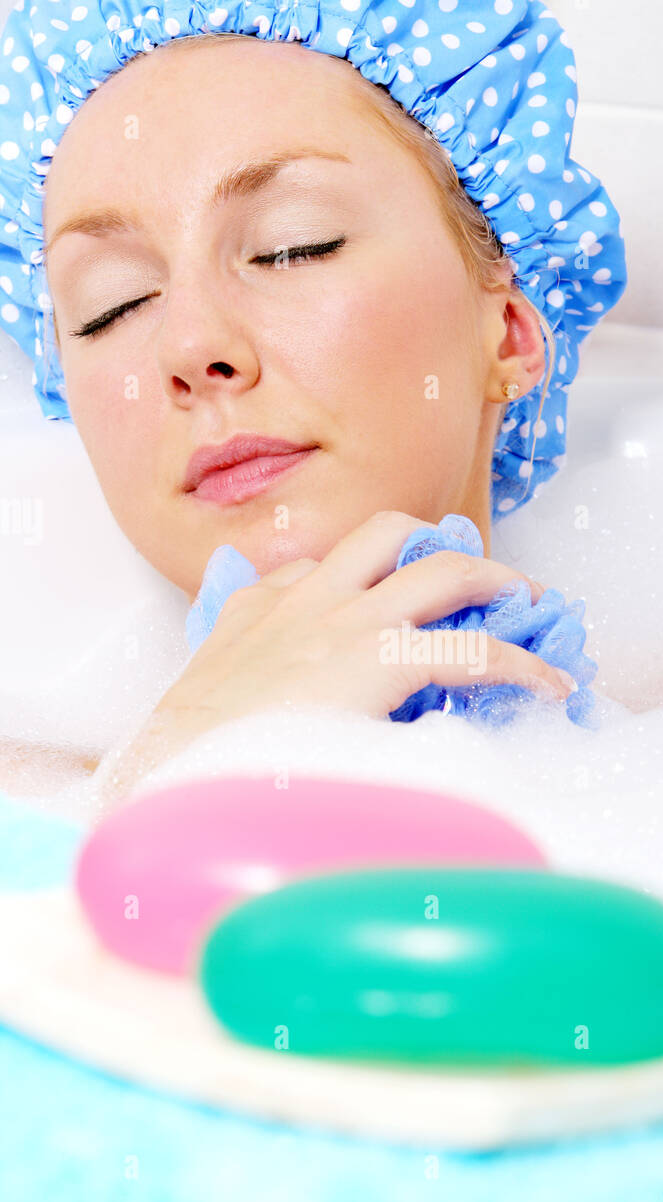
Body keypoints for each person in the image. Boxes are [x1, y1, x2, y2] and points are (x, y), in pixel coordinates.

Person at [0, 7, 627, 801]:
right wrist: (176, 764)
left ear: (507, 331)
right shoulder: (34, 807)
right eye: (113, 304)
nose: (190, 346)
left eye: (293, 246)